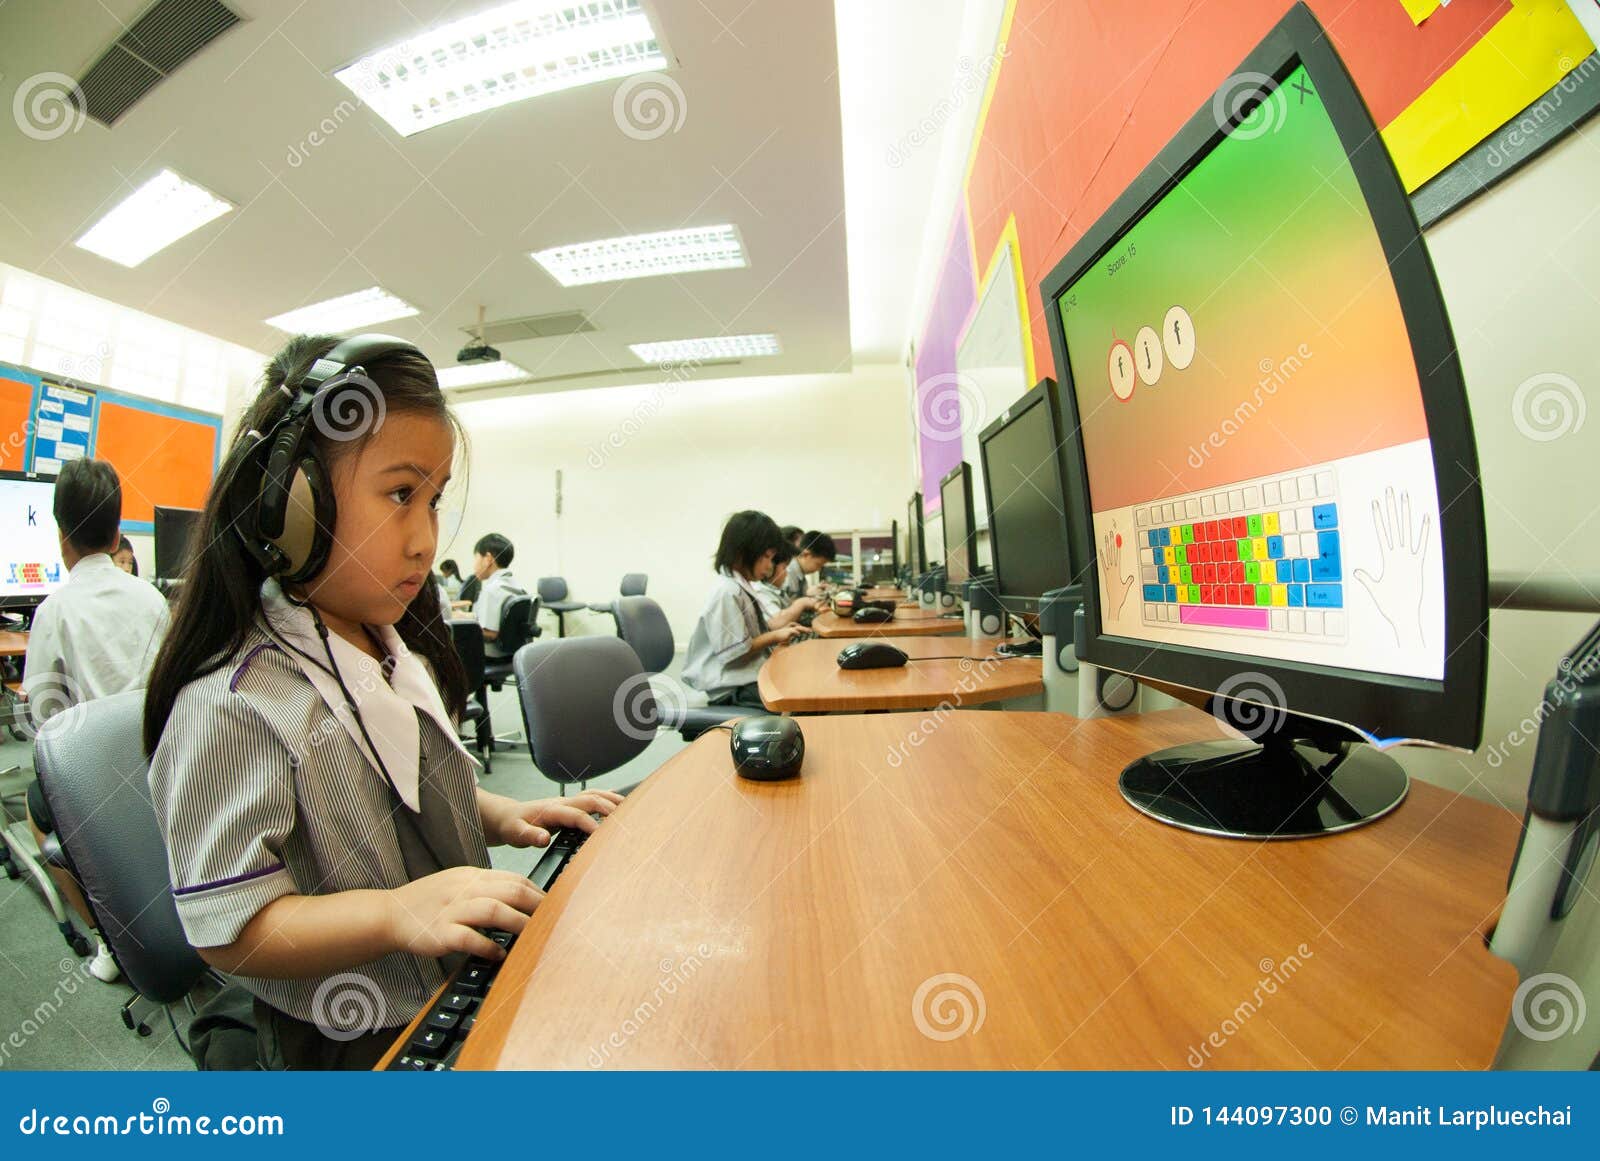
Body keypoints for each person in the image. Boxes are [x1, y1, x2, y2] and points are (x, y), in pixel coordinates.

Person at [144, 334, 621, 1069]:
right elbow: (229, 931)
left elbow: (402, 788)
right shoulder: (235, 704)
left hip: (445, 985)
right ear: (292, 507)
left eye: (434, 499)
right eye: (401, 495)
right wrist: (395, 913)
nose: (426, 539)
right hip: (351, 1035)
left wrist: (505, 813)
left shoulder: (386, 649)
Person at [22, 458, 171, 983]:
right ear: (116, 531)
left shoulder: (55, 611)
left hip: (97, 788)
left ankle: (110, 943)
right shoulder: (151, 598)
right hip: (161, 768)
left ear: (61, 534)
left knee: (35, 803)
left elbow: (43, 725)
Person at [682, 510, 818, 706]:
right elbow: (737, 651)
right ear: (744, 553)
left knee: (803, 677)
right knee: (801, 695)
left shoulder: (740, 587)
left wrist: (776, 632)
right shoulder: (727, 591)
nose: (770, 567)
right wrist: (775, 636)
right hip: (730, 687)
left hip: (744, 677)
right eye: (767, 557)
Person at [470, 533, 526, 657]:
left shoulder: (491, 590)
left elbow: (490, 634)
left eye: (476, 558)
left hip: (490, 656)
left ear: (488, 559)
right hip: (513, 654)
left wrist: (465, 626)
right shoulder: (515, 585)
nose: (473, 565)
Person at [783, 530, 838, 602]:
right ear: (806, 554)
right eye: (818, 564)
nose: (819, 569)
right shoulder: (788, 573)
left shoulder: (800, 575)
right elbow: (783, 605)